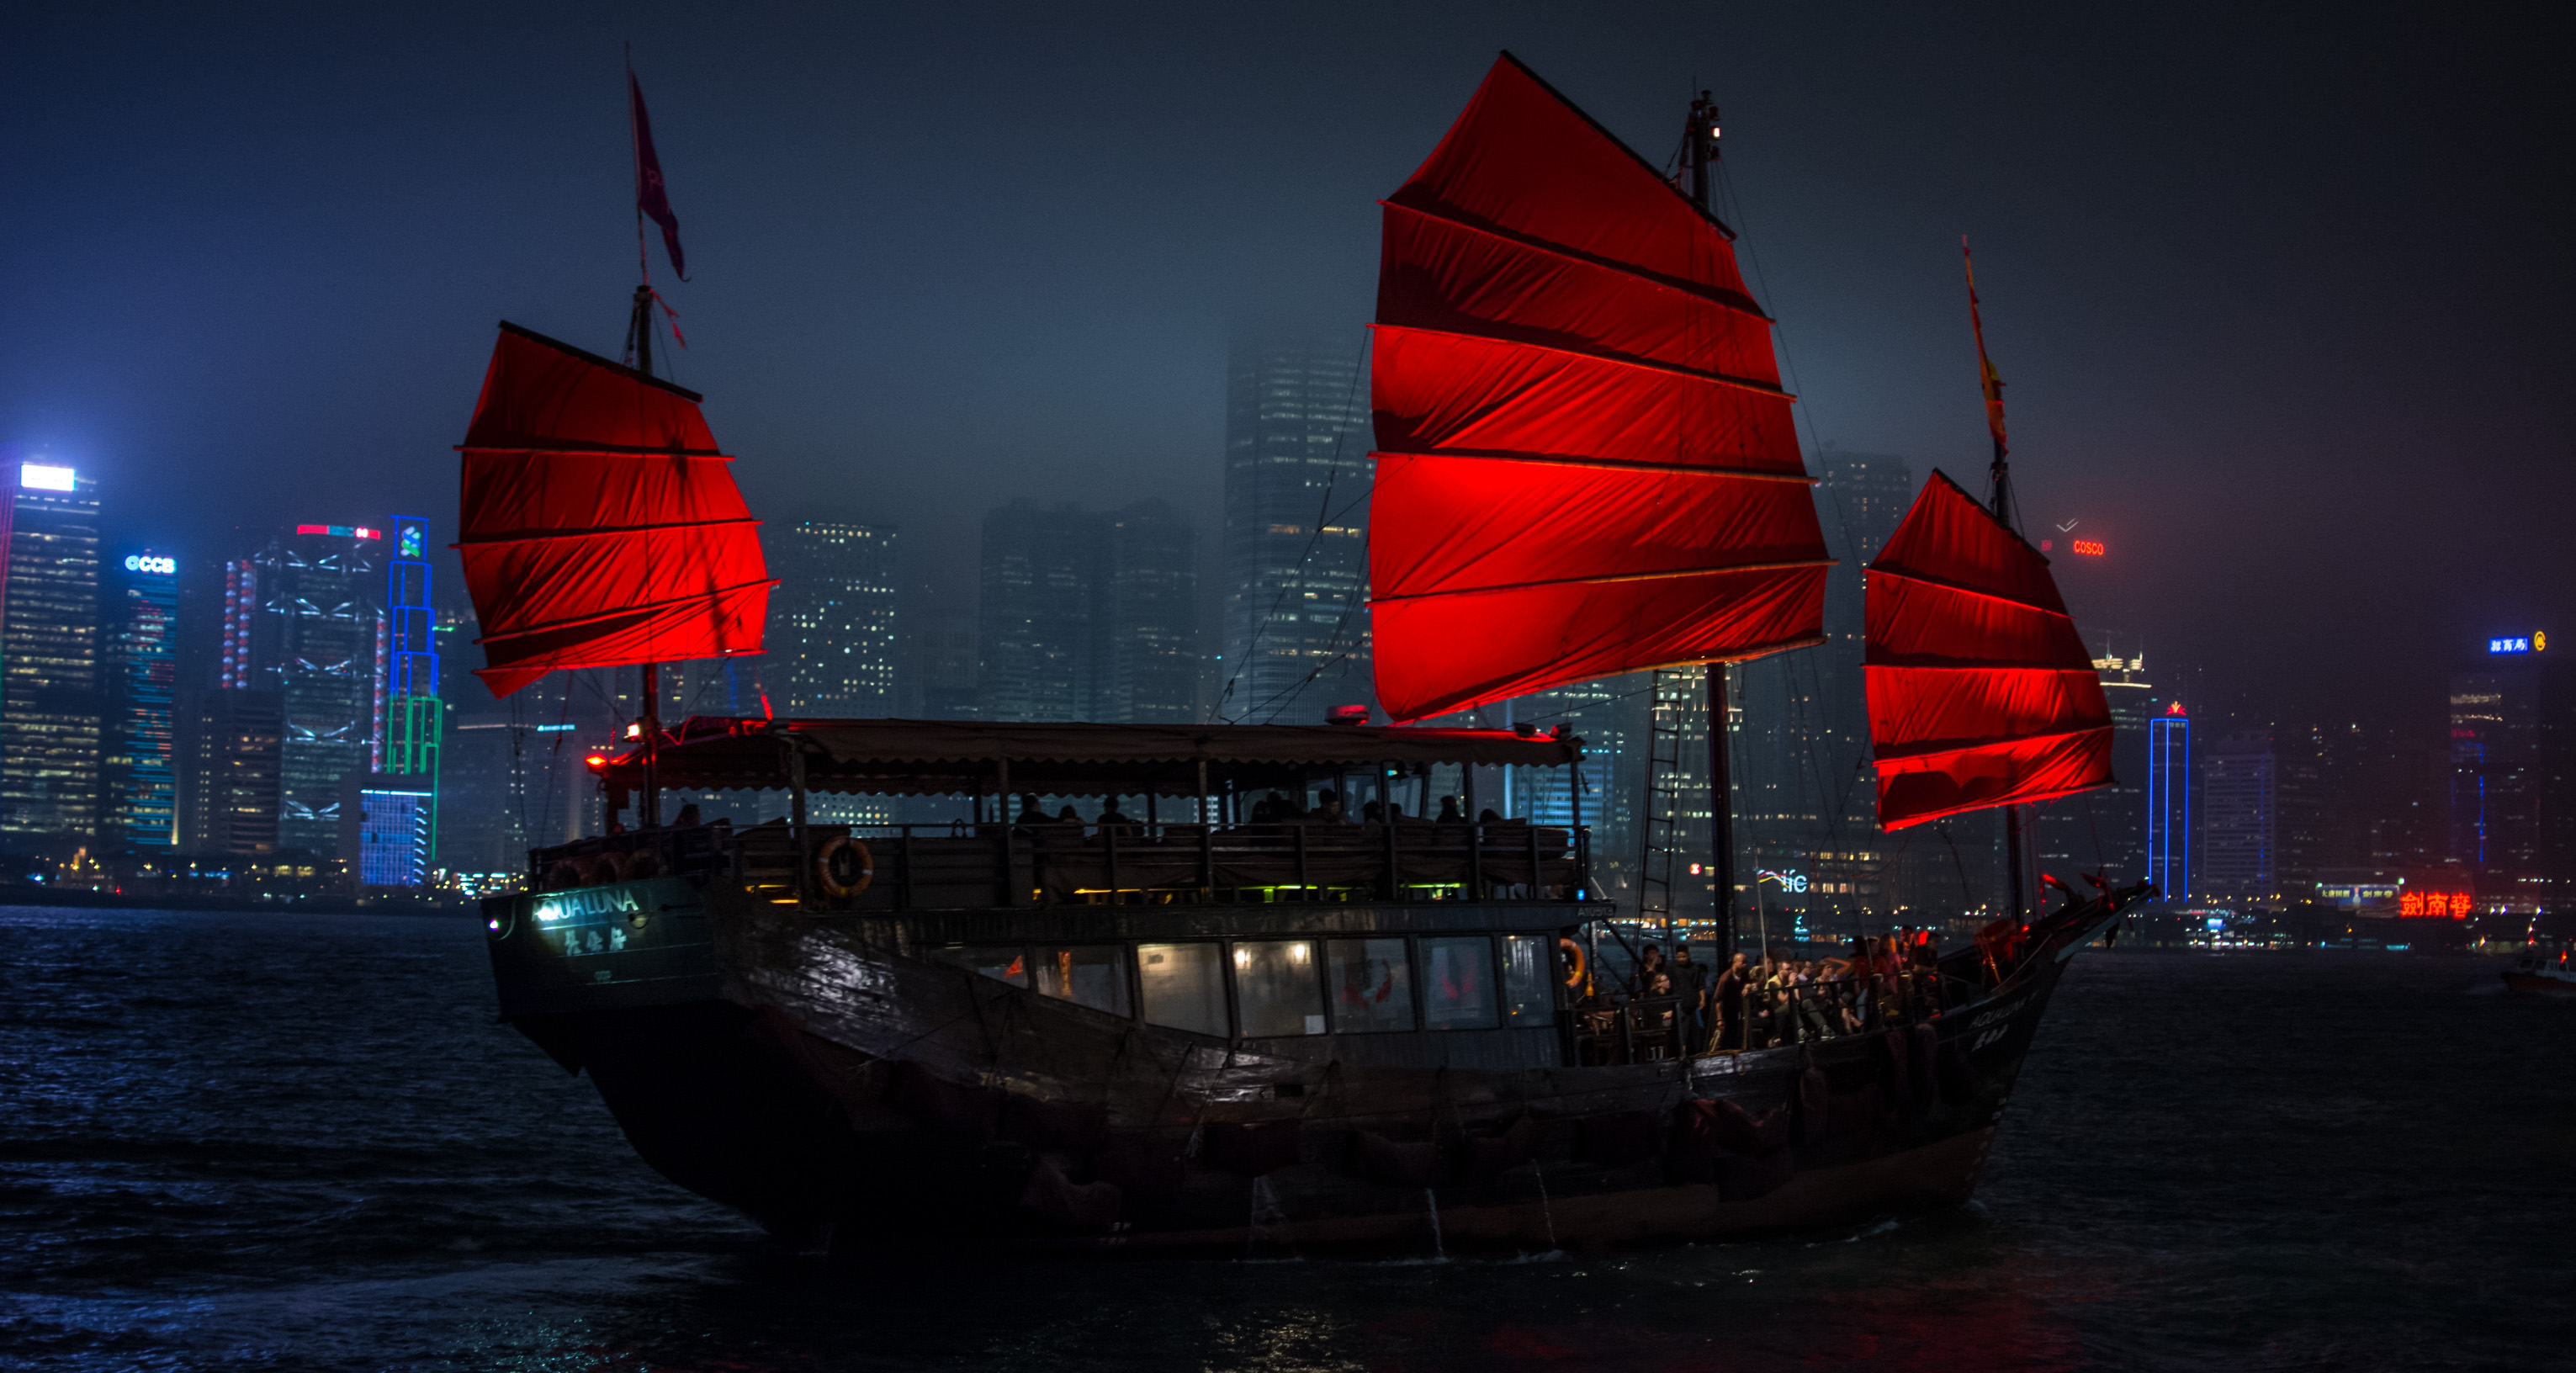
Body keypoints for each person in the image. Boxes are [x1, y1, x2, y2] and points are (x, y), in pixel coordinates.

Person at [1712, 952, 1748, 1050]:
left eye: (1746, 962)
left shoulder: (1744, 972)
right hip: (1726, 1008)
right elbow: (1718, 999)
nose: (1745, 965)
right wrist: (1719, 1019)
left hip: (1736, 1007)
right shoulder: (1726, 978)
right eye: (1742, 962)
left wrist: (1747, 987)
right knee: (1727, 1033)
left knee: (1736, 1031)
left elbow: (1748, 981)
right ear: (1735, 963)